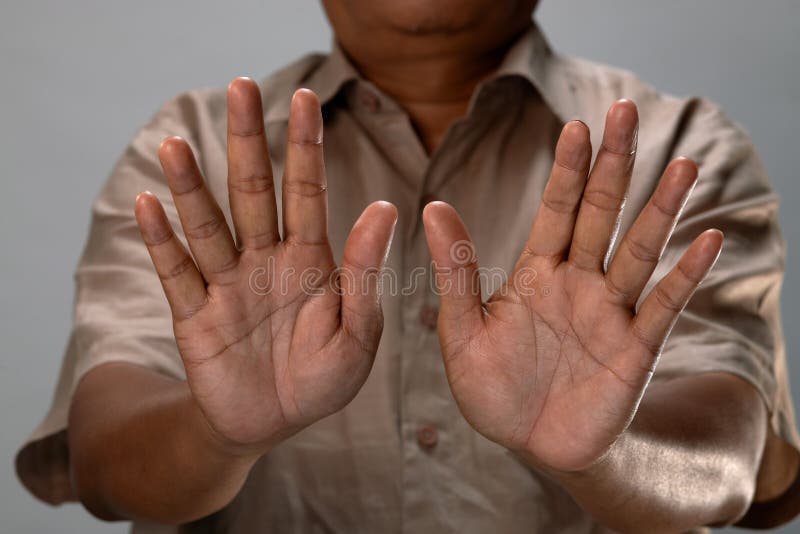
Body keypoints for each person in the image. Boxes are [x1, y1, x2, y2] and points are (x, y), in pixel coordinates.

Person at [15, 1, 800, 532]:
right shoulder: (192, 147)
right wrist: (217, 434)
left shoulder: (677, 148)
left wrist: (606, 451)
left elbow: (731, 462)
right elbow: (103, 458)